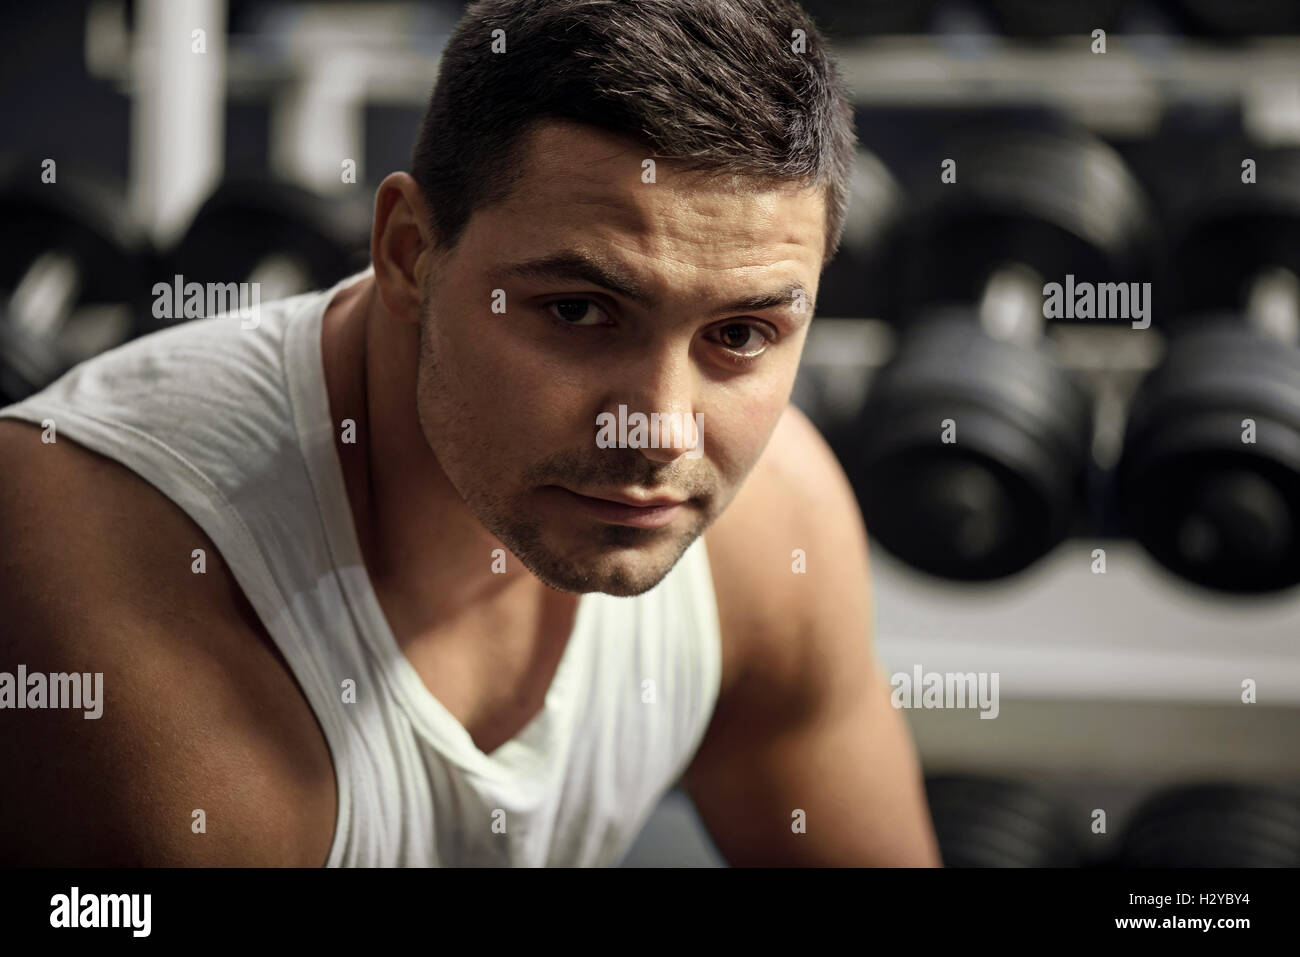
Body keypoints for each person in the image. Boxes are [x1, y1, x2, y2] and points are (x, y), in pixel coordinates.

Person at [0, 0, 940, 866]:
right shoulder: (100, 564)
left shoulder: (776, 532)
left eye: (739, 335)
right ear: (410, 253)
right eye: (577, 311)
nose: (657, 431)